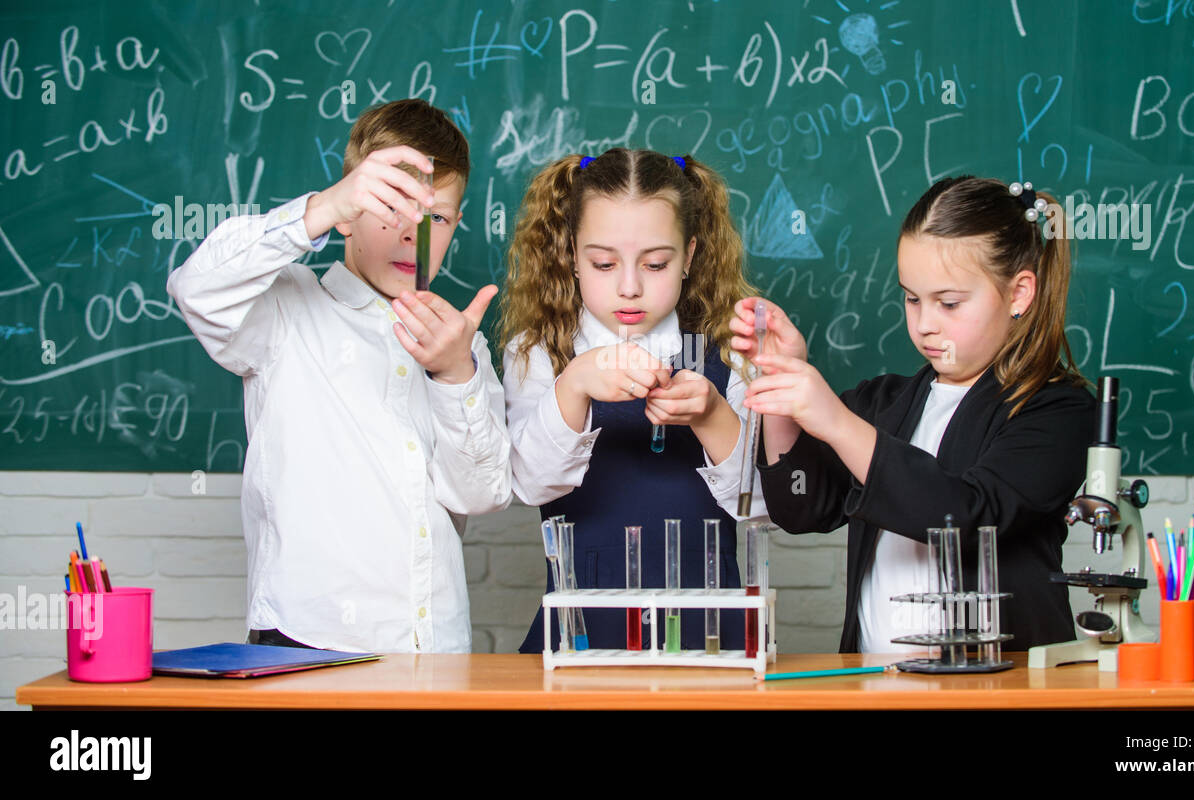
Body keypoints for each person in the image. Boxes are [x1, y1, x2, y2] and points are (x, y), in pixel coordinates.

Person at [167, 99, 511, 653]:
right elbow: (195, 289)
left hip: (434, 649)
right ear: (349, 208)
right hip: (306, 647)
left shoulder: (461, 345)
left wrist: (455, 374)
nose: (413, 236)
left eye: (437, 218)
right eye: (390, 206)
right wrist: (321, 209)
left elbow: (481, 494)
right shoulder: (284, 309)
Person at [734, 176, 1094, 653]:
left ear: (1020, 293)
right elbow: (802, 508)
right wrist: (781, 385)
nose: (925, 324)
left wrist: (838, 424)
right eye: (911, 298)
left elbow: (966, 516)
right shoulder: (885, 402)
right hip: (877, 686)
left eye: (949, 303)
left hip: (999, 691)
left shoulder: (1058, 410)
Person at [499, 148, 766, 653]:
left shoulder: (730, 350)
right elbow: (530, 484)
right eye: (602, 263)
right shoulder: (539, 353)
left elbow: (763, 509)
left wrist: (712, 416)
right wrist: (574, 384)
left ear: (689, 257)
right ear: (571, 257)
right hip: (584, 630)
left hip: (712, 627)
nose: (629, 287)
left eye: (656, 263)